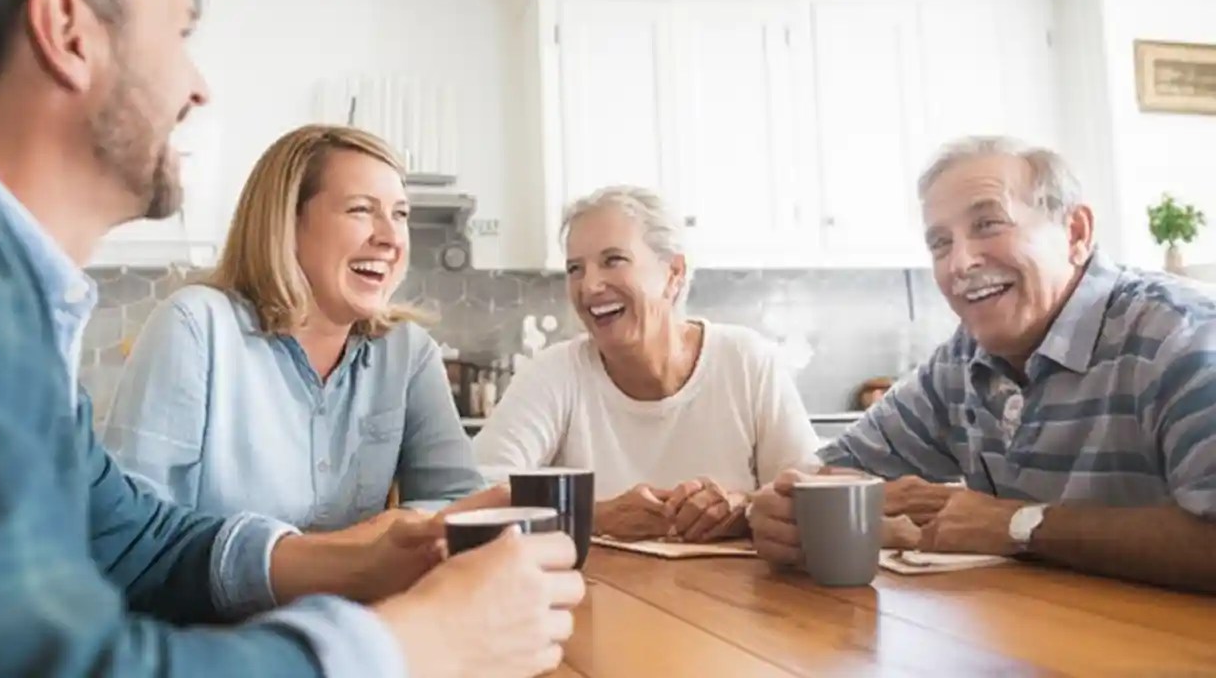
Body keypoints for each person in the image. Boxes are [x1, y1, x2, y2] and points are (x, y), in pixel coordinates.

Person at [0, 0, 582, 676]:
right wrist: (414, 645)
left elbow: (131, 540)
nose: (198, 86)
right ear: (67, 33)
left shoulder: (1, 293)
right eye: (179, 32)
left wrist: (343, 561)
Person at [748, 136, 1216, 594]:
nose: (960, 263)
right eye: (940, 244)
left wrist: (1018, 523)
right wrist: (780, 511)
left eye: (989, 224)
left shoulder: (1182, 334)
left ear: (1075, 232)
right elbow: (826, 474)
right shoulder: (965, 358)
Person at [103, 124, 482, 534]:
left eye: (401, 214)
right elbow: (133, 531)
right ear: (287, 222)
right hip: (213, 601)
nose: (391, 238)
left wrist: (393, 535)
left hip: (364, 600)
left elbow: (459, 501)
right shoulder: (196, 327)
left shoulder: (406, 351)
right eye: (360, 210)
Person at [473, 185, 821, 542]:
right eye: (575, 268)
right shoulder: (553, 374)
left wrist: (744, 508)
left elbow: (810, 495)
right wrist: (595, 517)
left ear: (673, 273)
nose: (589, 285)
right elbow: (475, 495)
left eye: (613, 260)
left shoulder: (746, 361)